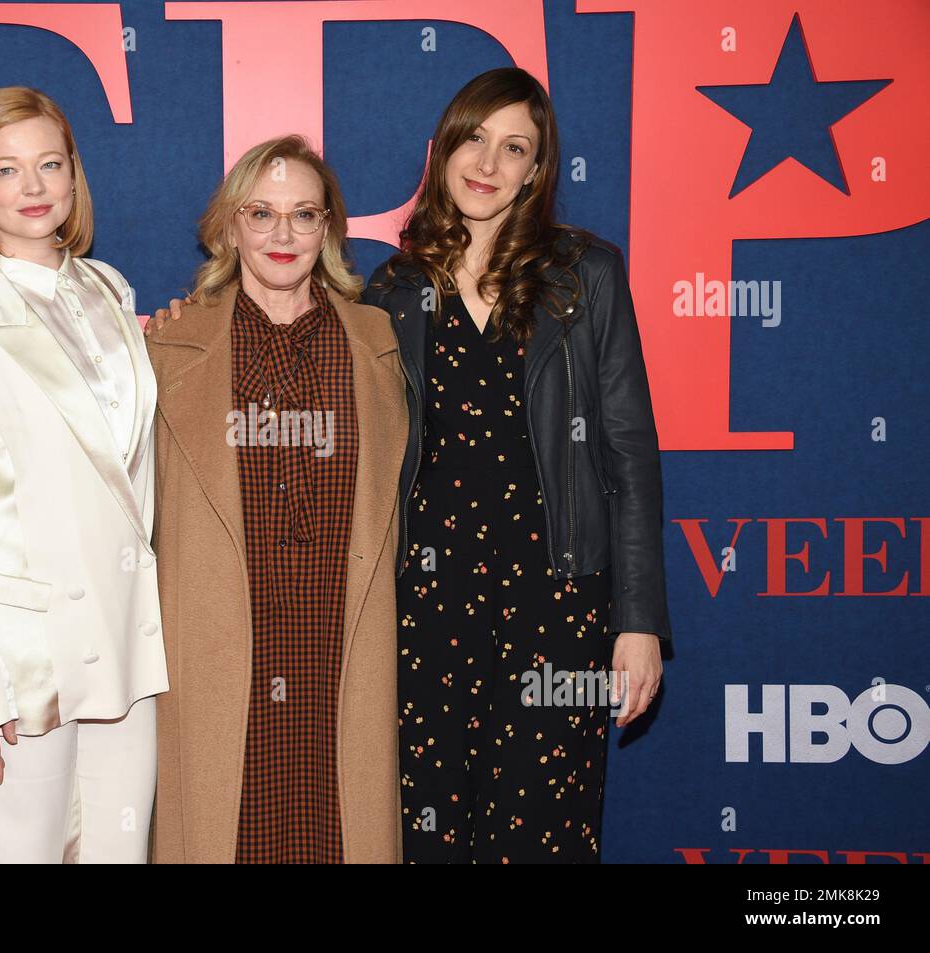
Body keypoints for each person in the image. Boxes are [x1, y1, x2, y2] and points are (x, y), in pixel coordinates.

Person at [149, 68, 671, 864]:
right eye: (474, 138)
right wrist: (187, 315)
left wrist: (639, 621)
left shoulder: (585, 278)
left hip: (557, 602)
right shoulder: (396, 292)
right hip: (427, 604)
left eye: (515, 148)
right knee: (425, 831)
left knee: (545, 837)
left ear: (537, 170)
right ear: (442, 150)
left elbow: (629, 455)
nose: (489, 163)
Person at [0, 86, 167, 863]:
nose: (33, 188)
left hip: (123, 648)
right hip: (20, 664)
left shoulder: (109, 291)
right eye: (7, 170)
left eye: (50, 164)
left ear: (74, 174)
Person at [144, 135, 408, 863]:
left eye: (303, 214)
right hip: (220, 663)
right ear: (229, 225)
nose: (282, 235)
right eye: (261, 213)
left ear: (329, 227)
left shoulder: (381, 343)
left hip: (338, 657)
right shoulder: (166, 351)